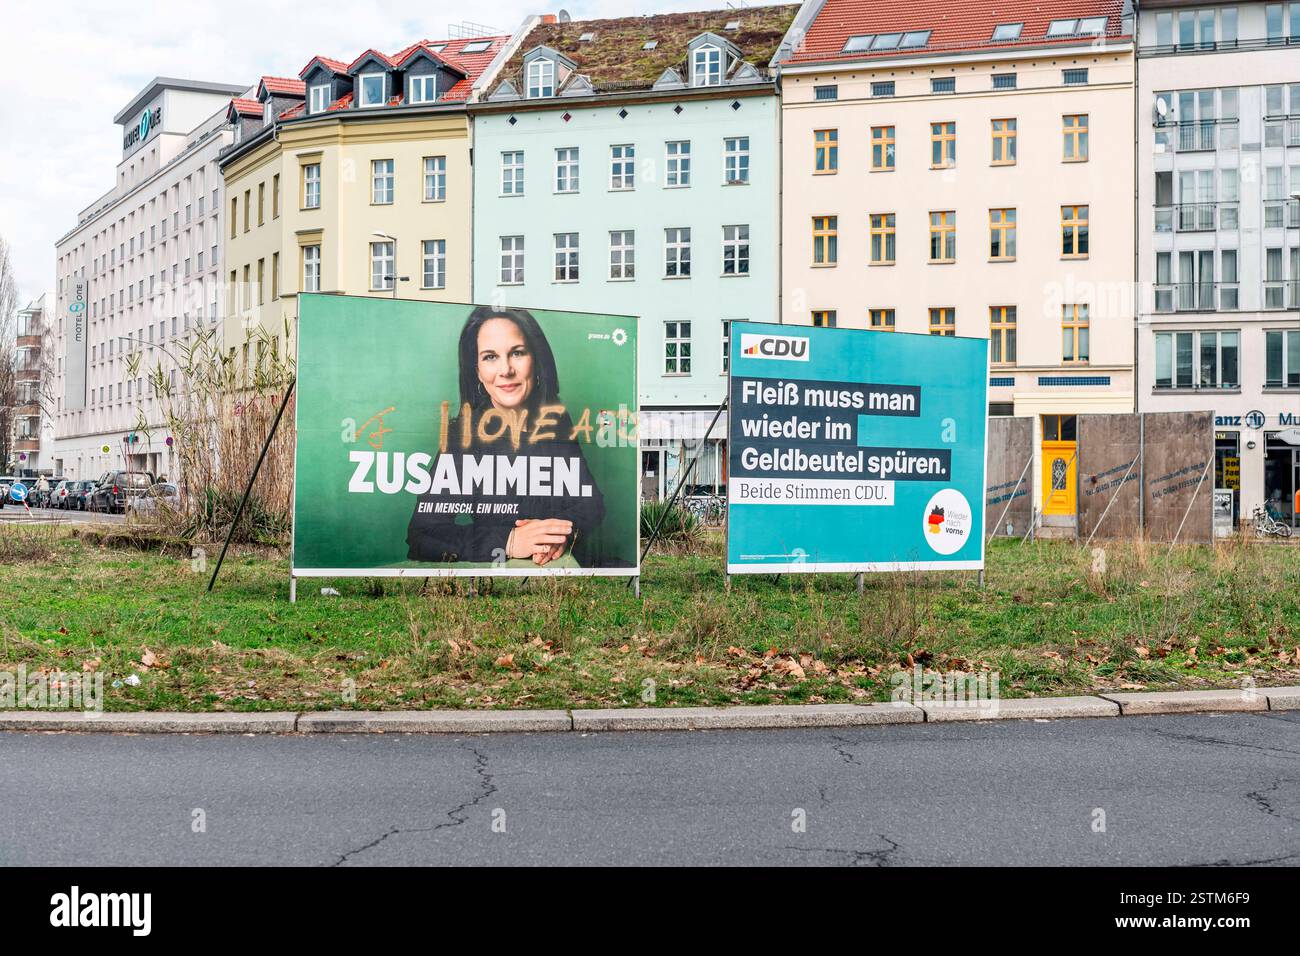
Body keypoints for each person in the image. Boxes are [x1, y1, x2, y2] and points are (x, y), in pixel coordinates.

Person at [406, 306, 605, 566]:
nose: (506, 370)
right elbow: (422, 534)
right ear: (476, 370)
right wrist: (508, 541)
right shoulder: (462, 435)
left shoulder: (557, 421)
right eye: (490, 357)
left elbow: (592, 504)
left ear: (536, 360)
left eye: (518, 353)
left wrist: (555, 535)